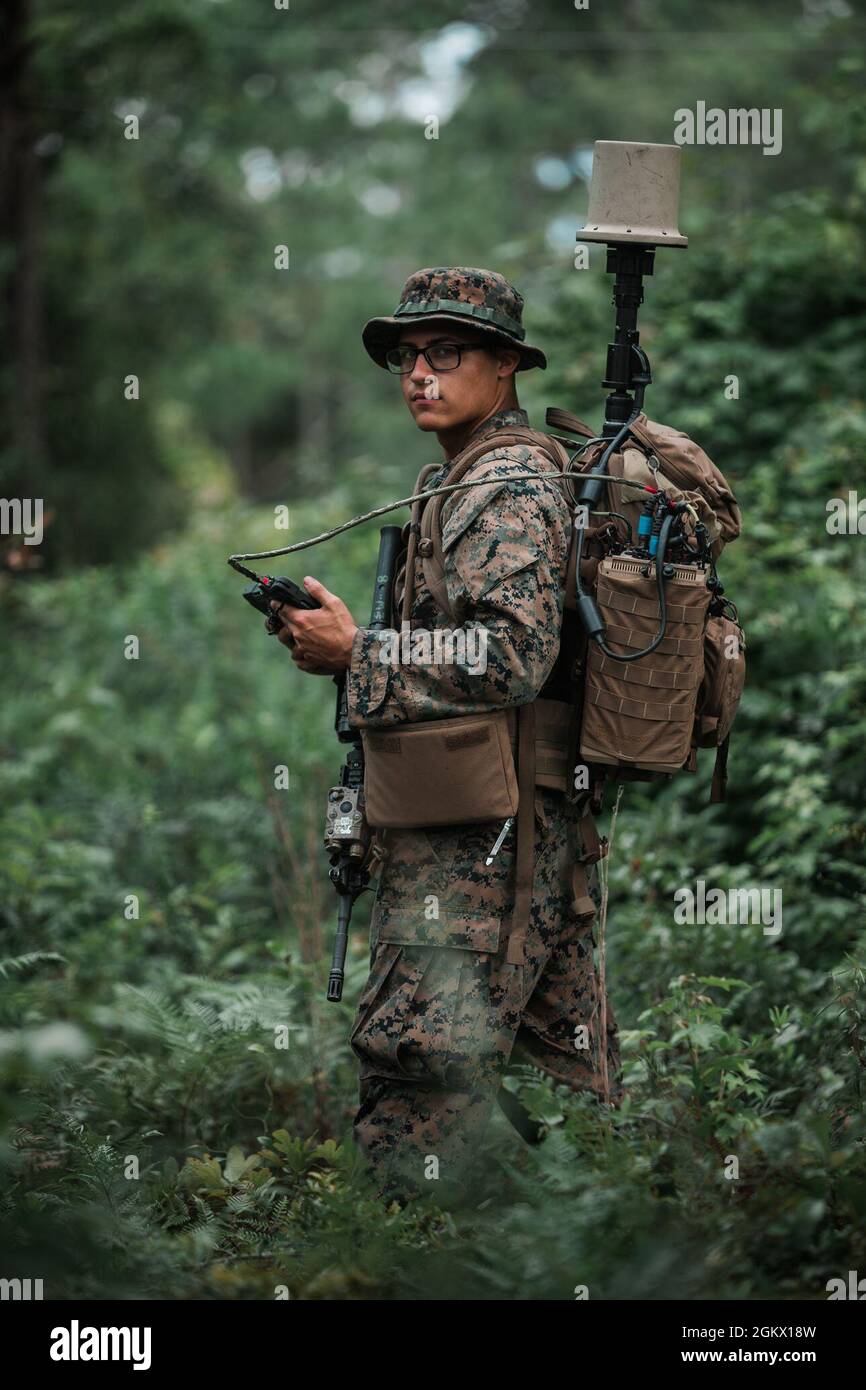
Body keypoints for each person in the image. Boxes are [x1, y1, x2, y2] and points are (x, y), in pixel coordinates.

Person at [269, 267, 623, 1203]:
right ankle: (578, 1244)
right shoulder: (458, 476)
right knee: (559, 1085)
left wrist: (361, 654)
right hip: (500, 825)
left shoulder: (505, 480)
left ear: (504, 366)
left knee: (417, 1071)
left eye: (445, 353)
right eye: (406, 356)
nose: (419, 373)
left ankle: (404, 1258)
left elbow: (513, 656)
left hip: (489, 842)